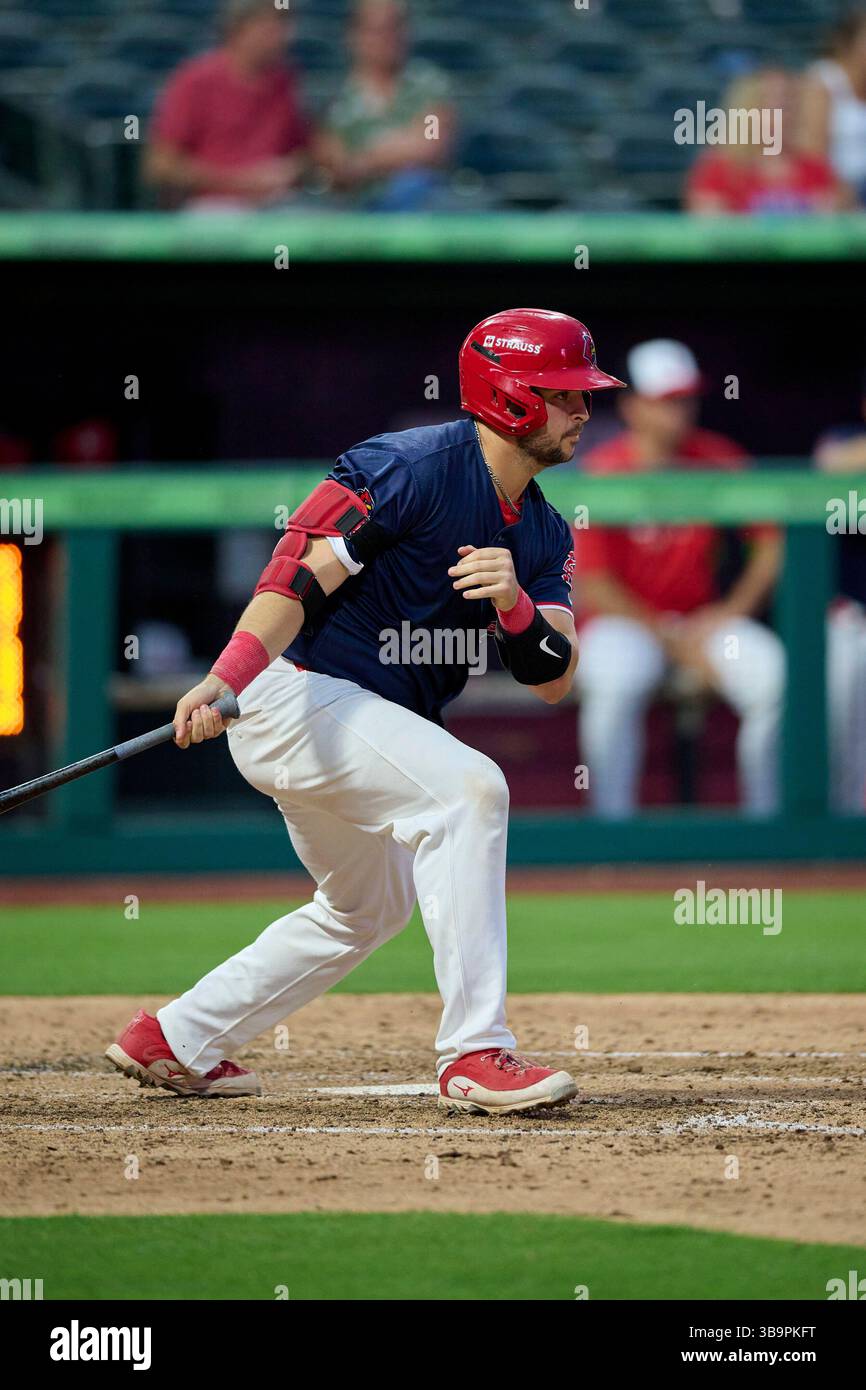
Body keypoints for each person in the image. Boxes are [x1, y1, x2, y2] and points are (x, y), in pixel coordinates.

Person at [106, 308, 625, 1113]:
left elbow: (553, 677)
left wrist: (516, 607)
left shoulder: (545, 533)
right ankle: (476, 1054)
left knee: (365, 909)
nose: (583, 413)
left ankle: (177, 1037)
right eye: (565, 396)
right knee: (472, 791)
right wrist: (227, 675)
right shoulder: (407, 466)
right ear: (513, 397)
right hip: (294, 696)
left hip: (360, 724)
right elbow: (296, 577)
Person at [574, 339, 784, 819]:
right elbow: (596, 586)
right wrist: (672, 638)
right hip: (624, 624)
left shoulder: (717, 457)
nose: (680, 411)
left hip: (703, 622)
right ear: (632, 406)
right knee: (616, 678)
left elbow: (771, 544)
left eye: (686, 397)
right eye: (665, 400)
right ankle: (613, 833)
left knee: (773, 676)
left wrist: (730, 613)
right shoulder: (604, 471)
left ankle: (768, 832)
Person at [145, 0, 312, 211]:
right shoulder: (195, 80)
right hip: (214, 205)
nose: (285, 37)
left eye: (285, 26)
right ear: (239, 29)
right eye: (272, 26)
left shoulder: (285, 81)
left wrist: (292, 170)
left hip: (279, 204)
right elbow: (161, 166)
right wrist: (242, 181)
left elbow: (304, 152)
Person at [316, 0, 455, 210]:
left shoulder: (429, 85)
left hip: (422, 202)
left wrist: (365, 158)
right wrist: (401, 146)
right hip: (357, 208)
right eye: (376, 29)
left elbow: (431, 144)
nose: (387, 37)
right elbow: (337, 165)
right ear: (354, 34)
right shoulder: (333, 98)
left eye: (395, 26)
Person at [685, 68, 844, 214]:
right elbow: (711, 225)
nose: (783, 112)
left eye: (789, 102)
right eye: (772, 103)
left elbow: (833, 220)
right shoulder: (720, 168)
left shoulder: (815, 167)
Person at [814, 369, 866, 812]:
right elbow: (829, 463)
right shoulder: (846, 439)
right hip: (851, 611)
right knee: (842, 687)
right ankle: (840, 815)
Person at [799, 8, 866, 207]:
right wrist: (840, 189)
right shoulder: (824, 80)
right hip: (837, 186)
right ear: (850, 43)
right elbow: (813, 150)